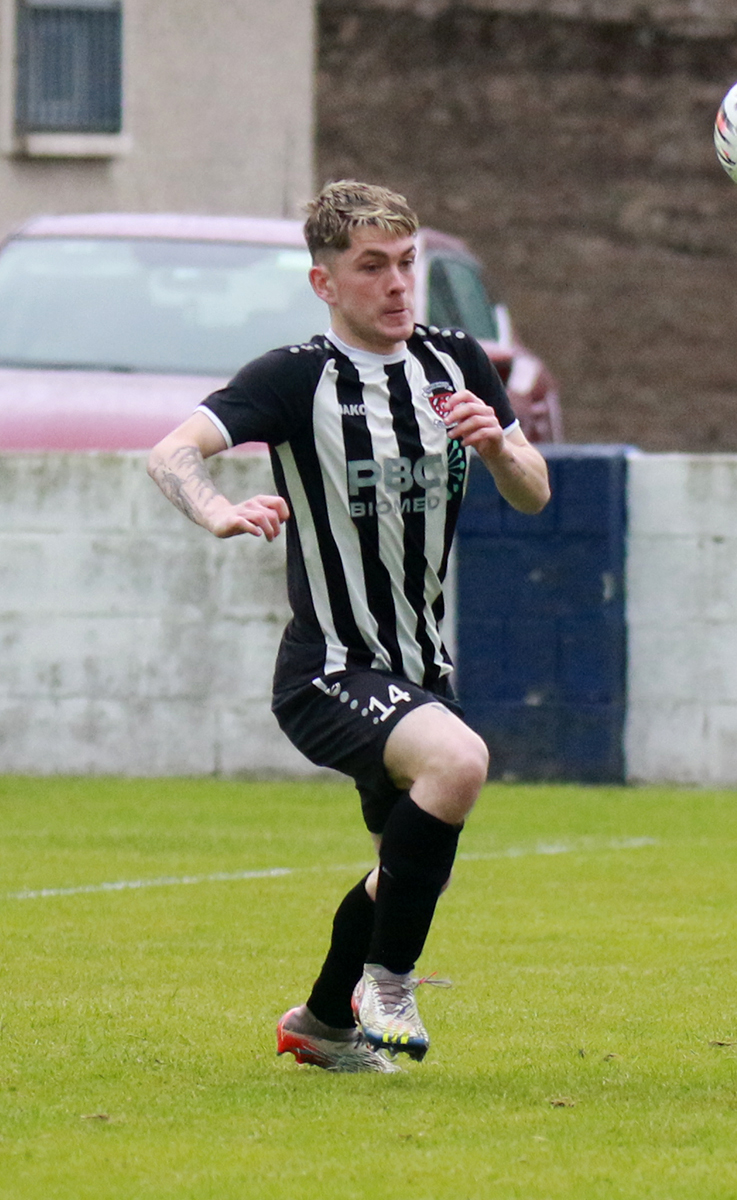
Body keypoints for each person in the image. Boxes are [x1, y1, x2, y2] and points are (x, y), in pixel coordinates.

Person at [147, 180, 551, 1073]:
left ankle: (324, 1023)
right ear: (326, 283)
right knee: (461, 762)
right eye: (373, 267)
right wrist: (215, 509)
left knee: (394, 873)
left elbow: (534, 492)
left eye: (408, 264)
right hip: (327, 671)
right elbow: (170, 451)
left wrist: (498, 447)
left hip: (421, 671)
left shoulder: (458, 361)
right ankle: (388, 982)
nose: (399, 285)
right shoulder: (295, 378)